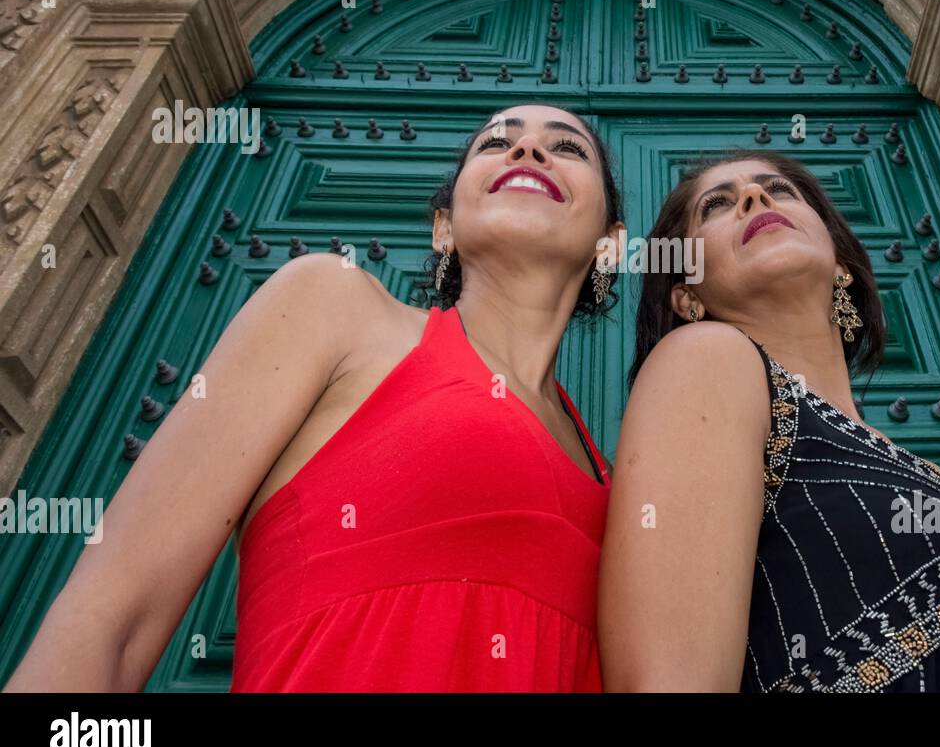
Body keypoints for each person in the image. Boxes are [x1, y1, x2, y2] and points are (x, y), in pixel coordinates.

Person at [4, 103, 625, 692]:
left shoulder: (612, 478)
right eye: (497, 142)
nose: (527, 147)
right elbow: (115, 612)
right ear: (443, 227)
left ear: (611, 245)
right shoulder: (332, 305)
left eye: (567, 147)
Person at [598, 150, 940, 692]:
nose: (756, 198)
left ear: (842, 262)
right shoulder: (705, 358)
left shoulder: (912, 468)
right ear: (686, 294)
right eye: (717, 206)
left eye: (780, 189)